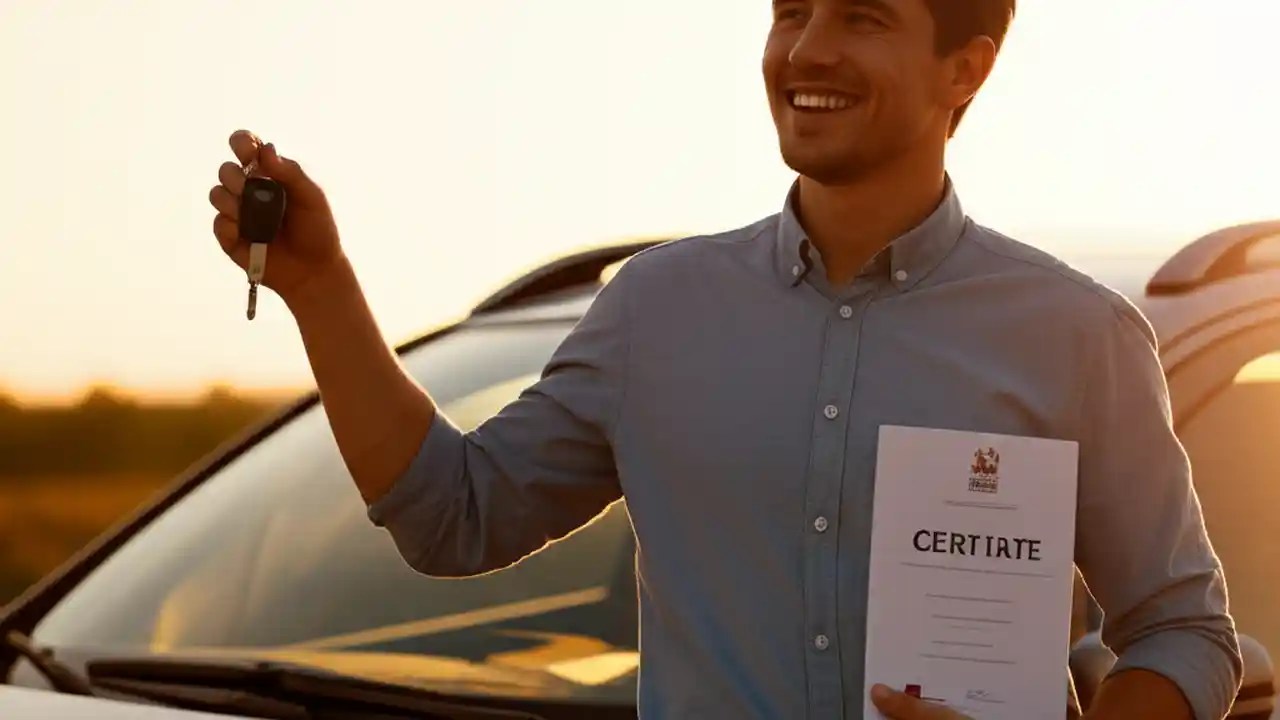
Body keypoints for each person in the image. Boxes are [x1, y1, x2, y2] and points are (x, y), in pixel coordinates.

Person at [206, 1, 1243, 718]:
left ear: (962, 69)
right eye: (789, 12)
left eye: (860, 18)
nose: (806, 50)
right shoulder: (655, 309)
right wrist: (319, 286)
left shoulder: (1074, 336)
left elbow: (1182, 633)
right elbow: (453, 517)